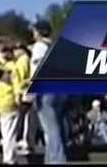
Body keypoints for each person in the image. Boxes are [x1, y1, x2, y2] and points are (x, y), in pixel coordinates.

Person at [29, 21, 65, 164]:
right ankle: (50, 159)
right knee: (54, 126)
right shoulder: (55, 46)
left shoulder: (39, 46)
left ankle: (56, 159)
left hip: (44, 89)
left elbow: (39, 67)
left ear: (38, 32)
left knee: (50, 128)